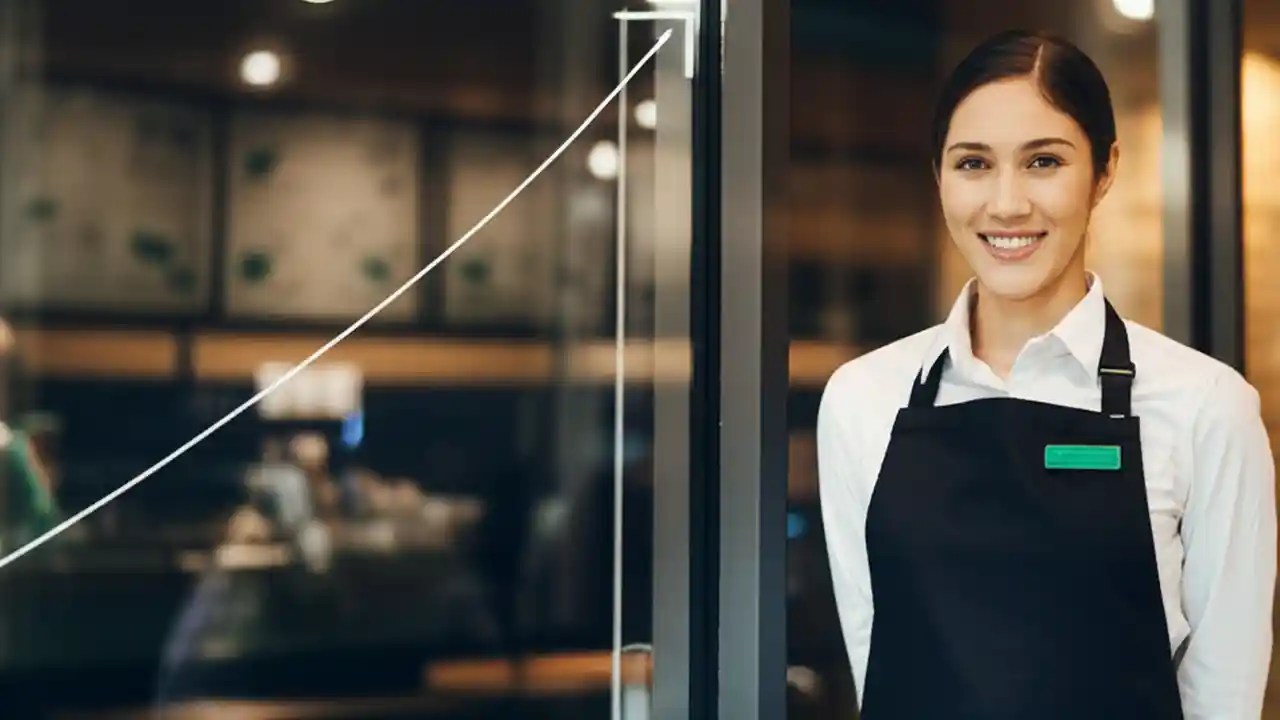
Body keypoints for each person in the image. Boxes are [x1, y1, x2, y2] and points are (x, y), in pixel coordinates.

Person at [817, 30, 1276, 719]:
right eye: (973, 163)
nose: (1006, 204)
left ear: (1105, 171)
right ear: (937, 175)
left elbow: (1225, 695)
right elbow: (869, 653)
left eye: (1043, 162)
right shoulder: (862, 399)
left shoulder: (1208, 406)